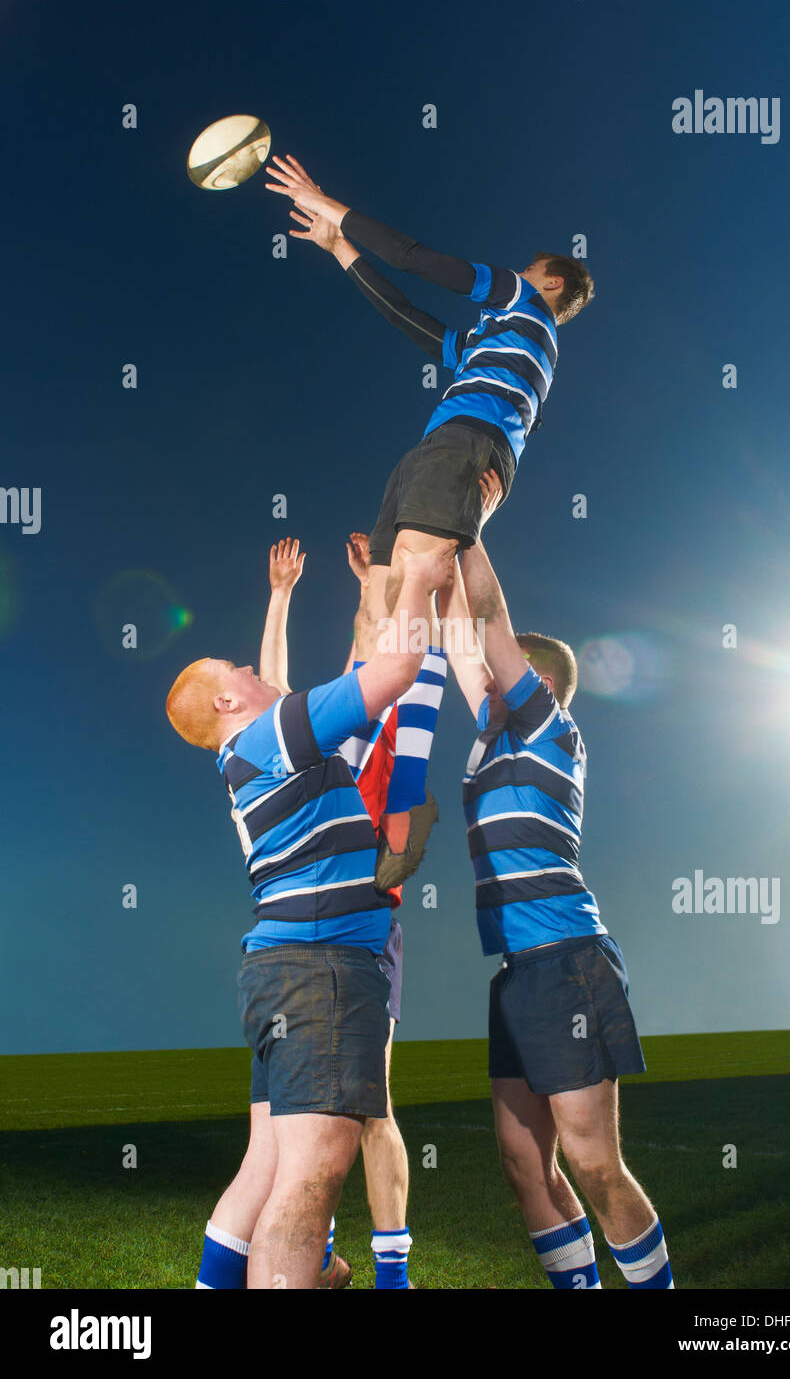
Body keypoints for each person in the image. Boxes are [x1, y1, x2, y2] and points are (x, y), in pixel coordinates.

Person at [264, 152, 594, 876]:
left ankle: (403, 806)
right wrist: (340, 249)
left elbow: (419, 260)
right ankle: (354, 787)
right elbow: (407, 313)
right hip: (437, 446)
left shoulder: (525, 305)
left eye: (528, 266)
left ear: (551, 283)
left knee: (422, 579)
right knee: (381, 613)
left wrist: (328, 203)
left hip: (467, 447)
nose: (515, 269)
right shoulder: (484, 342)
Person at [165, 534, 455, 1289]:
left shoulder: (246, 754)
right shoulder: (269, 737)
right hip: (321, 972)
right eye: (244, 673)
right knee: (308, 1180)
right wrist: (416, 580)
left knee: (264, 1170)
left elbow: (282, 689)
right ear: (230, 701)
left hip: (281, 972)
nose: (261, 675)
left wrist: (282, 596)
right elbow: (392, 669)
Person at [439, 473, 674, 1291]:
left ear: (531, 682)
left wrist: (464, 525)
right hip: (517, 977)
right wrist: (404, 570)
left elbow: (487, 623)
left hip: (567, 959)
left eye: (500, 672)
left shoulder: (545, 727)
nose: (484, 677)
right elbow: (461, 638)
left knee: (591, 1161)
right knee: (521, 1162)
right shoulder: (489, 736)